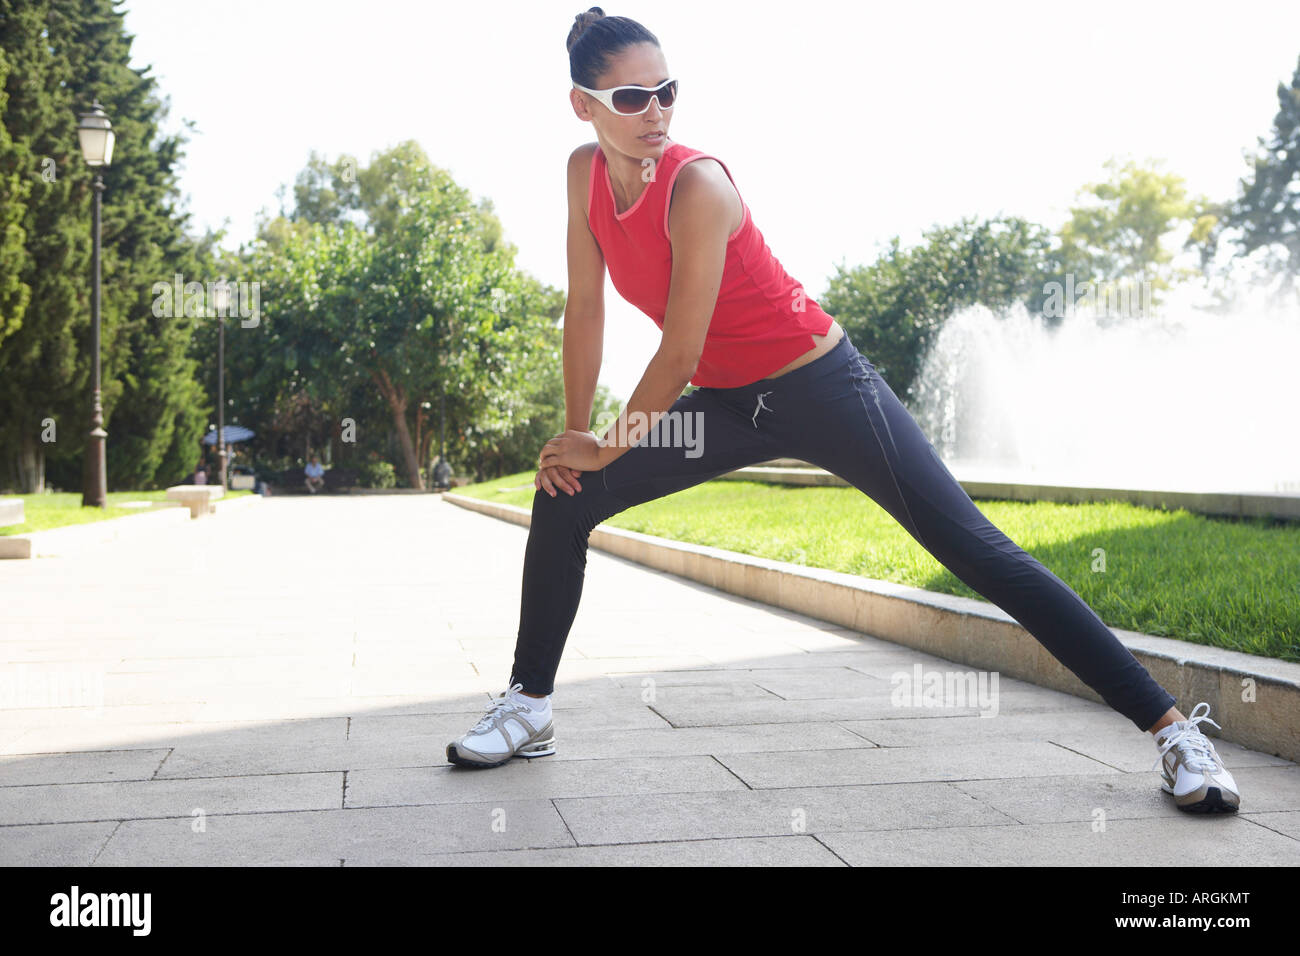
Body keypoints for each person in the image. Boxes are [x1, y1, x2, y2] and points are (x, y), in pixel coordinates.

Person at [447, 9, 1241, 815]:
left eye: (668, 91)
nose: (655, 111)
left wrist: (606, 444)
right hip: (726, 404)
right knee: (564, 496)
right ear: (583, 105)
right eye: (631, 98)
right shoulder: (582, 173)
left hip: (824, 387)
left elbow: (676, 353)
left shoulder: (699, 186)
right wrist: (575, 441)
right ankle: (529, 706)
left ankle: (1175, 731)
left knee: (976, 552)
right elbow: (585, 311)